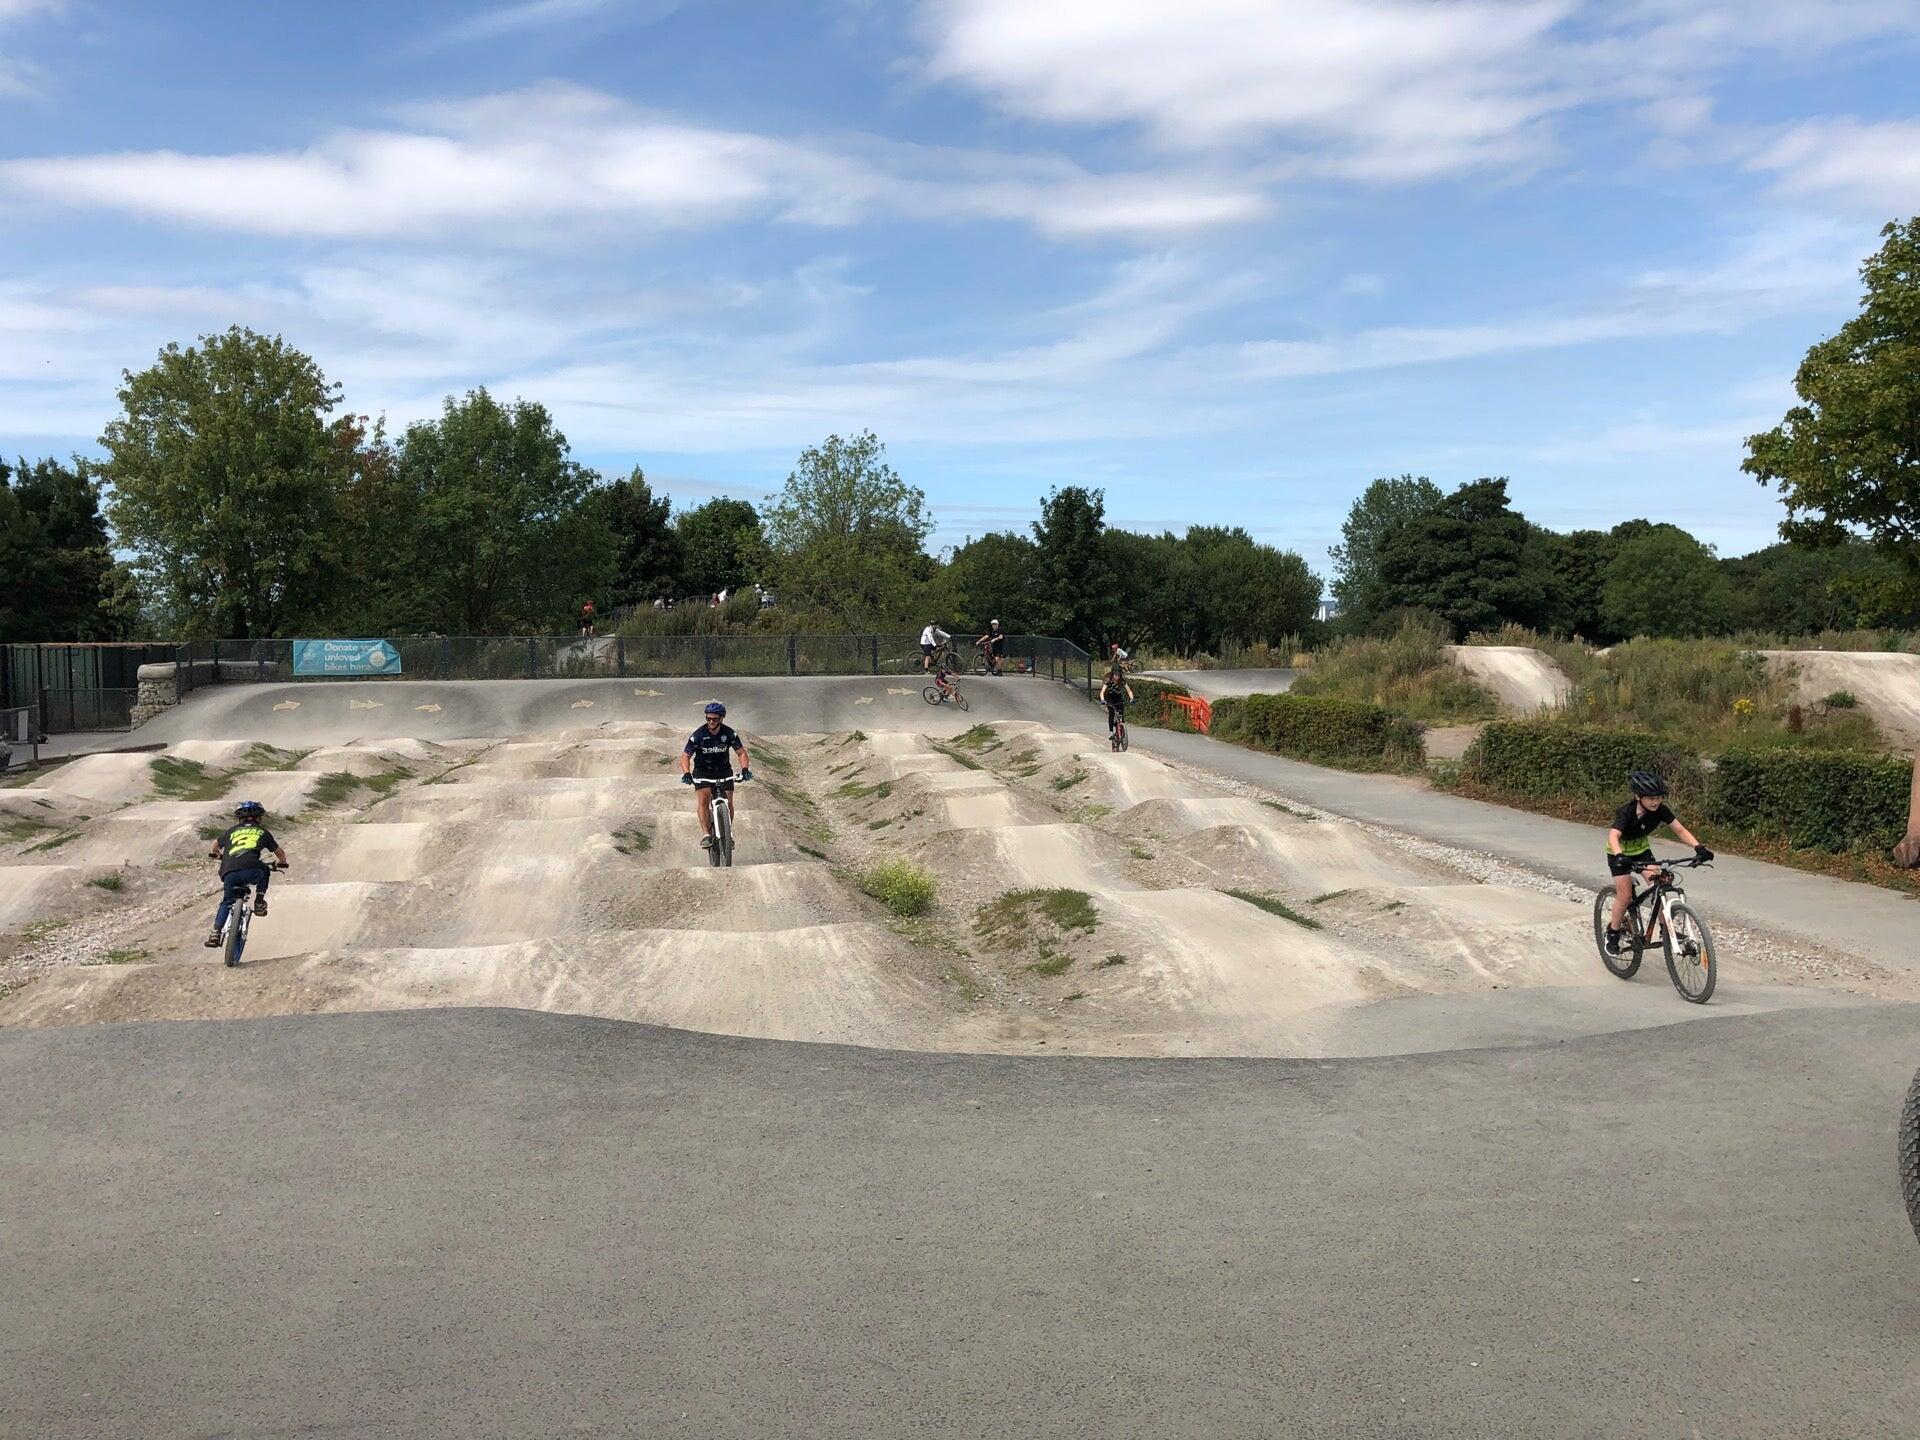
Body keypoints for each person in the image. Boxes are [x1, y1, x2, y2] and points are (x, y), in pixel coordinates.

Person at [1604, 771, 1711, 954]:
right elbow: (1613, 835)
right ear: (1638, 797)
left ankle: (1666, 930)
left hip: (1641, 851)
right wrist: (1620, 855)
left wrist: (1698, 847)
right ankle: (1612, 934)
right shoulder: (1627, 812)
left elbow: (1679, 830)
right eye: (1651, 798)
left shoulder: (1661, 810)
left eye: (1659, 797)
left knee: (1659, 884)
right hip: (1618, 853)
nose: (1656, 802)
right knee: (1625, 895)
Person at [204, 800, 289, 947]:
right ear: (259, 818)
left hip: (229, 872)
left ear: (239, 819)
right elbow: (279, 852)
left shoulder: (230, 831)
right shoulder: (263, 832)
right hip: (252, 869)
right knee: (265, 870)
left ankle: (216, 932)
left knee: (226, 901)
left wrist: (219, 856)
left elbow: (214, 846)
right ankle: (259, 901)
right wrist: (282, 862)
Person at [681, 700, 753, 850]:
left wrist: (745, 769)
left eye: (714, 719)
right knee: (704, 798)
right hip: (703, 772)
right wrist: (687, 773)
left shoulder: (729, 733)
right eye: (708, 718)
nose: (711, 721)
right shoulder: (698, 735)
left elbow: (741, 753)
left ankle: (728, 833)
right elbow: (685, 756)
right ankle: (706, 834)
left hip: (724, 771)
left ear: (721, 718)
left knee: (729, 800)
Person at [1099, 665, 1134, 739]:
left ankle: (1122, 730)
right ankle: (1111, 732)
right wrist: (1102, 700)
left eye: (1118, 675)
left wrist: (1132, 699)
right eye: (1115, 675)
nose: (1117, 677)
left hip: (1118, 697)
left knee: (1121, 713)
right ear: (1112, 674)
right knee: (1111, 713)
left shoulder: (1122, 681)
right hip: (1110, 698)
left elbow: (1129, 690)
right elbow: (1102, 692)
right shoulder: (1108, 681)